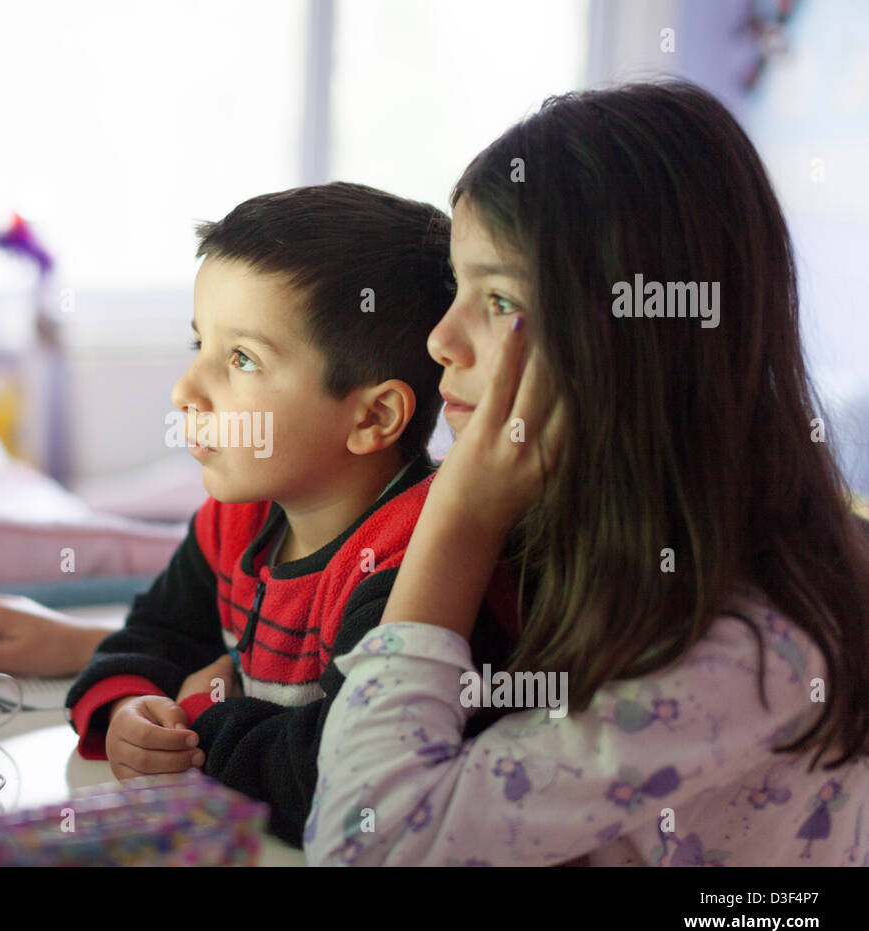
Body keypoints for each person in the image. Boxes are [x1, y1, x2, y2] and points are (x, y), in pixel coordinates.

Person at [305, 81, 869, 866]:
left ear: (636, 341)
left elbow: (370, 846)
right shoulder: (586, 539)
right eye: (456, 288)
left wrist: (456, 522)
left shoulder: (742, 648)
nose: (441, 338)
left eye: (498, 300)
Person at [58, 182, 530, 846]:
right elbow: (153, 635)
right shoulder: (238, 522)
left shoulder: (414, 567)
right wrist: (133, 709)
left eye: (242, 359)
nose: (186, 388)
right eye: (200, 343)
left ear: (372, 417)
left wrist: (196, 716)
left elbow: (325, 771)